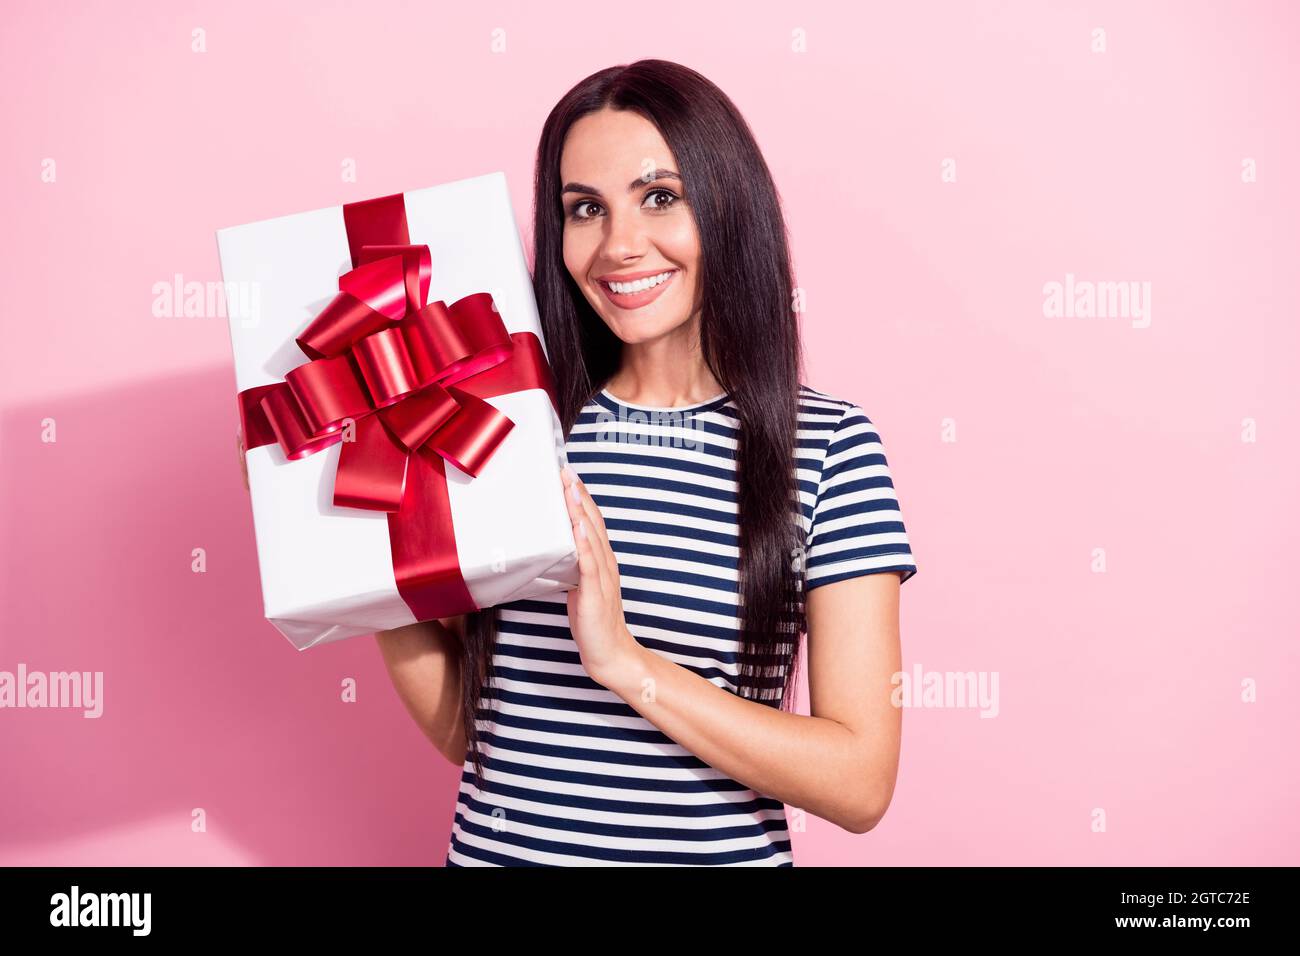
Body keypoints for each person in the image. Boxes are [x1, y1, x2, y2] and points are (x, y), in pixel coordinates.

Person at [240, 59, 917, 866]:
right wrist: (362, 554)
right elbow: (476, 738)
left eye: (660, 196)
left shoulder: (827, 445)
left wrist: (624, 663)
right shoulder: (509, 427)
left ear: (730, 210)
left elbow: (859, 782)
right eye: (584, 209)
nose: (620, 246)